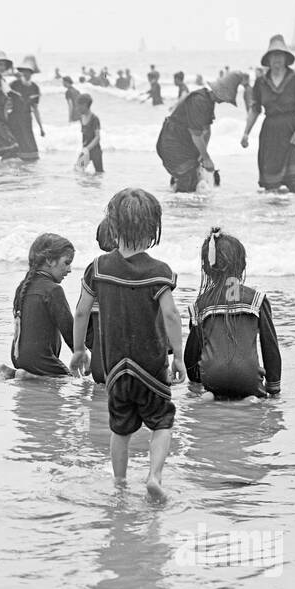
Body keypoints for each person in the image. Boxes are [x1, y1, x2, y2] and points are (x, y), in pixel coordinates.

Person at [69, 188, 184, 499]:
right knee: (162, 422)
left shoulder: (98, 268)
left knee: (120, 428)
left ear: (113, 227)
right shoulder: (159, 273)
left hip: (115, 367)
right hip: (151, 365)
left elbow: (80, 311)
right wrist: (180, 358)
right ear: (152, 230)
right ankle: (154, 477)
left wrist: (79, 350)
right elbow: (172, 316)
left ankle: (119, 485)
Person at [184, 227, 281, 399]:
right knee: (253, 394)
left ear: (207, 269)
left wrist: (196, 382)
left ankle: (213, 396)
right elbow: (270, 346)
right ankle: (249, 399)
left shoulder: (201, 304)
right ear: (242, 265)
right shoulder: (257, 300)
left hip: (212, 380)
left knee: (213, 391)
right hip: (249, 382)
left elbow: (192, 353)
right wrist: (273, 388)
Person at [241, 36, 295, 193]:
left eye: (280, 55)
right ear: (268, 59)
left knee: (294, 182)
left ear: (286, 58)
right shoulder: (261, 82)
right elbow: (255, 109)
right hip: (270, 133)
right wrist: (246, 132)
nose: (277, 59)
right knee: (270, 185)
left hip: (292, 130)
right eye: (274, 55)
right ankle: (272, 217)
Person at [158, 70, 247, 192]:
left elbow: (207, 130)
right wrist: (206, 158)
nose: (225, 101)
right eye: (227, 97)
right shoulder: (199, 101)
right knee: (187, 178)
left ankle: (183, 203)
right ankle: (180, 205)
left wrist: (202, 155)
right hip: (173, 141)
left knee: (192, 176)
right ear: (221, 93)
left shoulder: (208, 101)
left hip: (184, 142)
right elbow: (196, 134)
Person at [2, 233, 75, 377]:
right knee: (70, 382)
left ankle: (15, 373)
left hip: (18, 358)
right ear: (49, 260)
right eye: (66, 263)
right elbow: (69, 330)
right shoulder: (53, 290)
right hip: (42, 361)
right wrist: (80, 353)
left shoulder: (23, 287)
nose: (70, 269)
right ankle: (28, 377)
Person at [8, 55, 46, 161]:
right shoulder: (14, 85)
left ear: (32, 72)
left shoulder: (35, 88)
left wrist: (41, 127)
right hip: (14, 119)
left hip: (26, 119)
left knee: (30, 149)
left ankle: (28, 172)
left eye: (29, 71)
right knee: (15, 149)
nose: (26, 73)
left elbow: (35, 109)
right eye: (24, 71)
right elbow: (6, 103)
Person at [75, 94, 103, 174]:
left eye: (79, 106)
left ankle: (95, 185)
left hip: (95, 152)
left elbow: (97, 137)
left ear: (85, 105)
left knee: (99, 173)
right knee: (78, 170)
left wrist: (87, 148)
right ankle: (88, 184)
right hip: (85, 152)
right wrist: (84, 150)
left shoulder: (94, 119)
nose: (77, 108)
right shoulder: (81, 117)